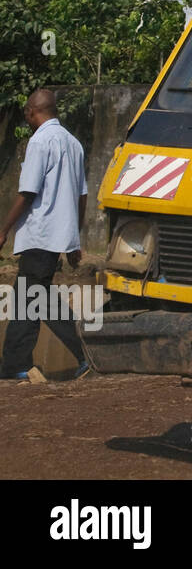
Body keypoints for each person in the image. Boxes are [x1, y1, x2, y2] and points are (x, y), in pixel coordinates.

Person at [0, 89, 90, 382]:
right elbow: (82, 195)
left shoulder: (39, 141)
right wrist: (74, 238)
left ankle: (85, 354)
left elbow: (28, 192)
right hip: (57, 236)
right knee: (32, 296)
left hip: (40, 233)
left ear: (30, 112)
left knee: (34, 297)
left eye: (26, 113)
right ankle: (16, 363)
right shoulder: (73, 143)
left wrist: (3, 230)